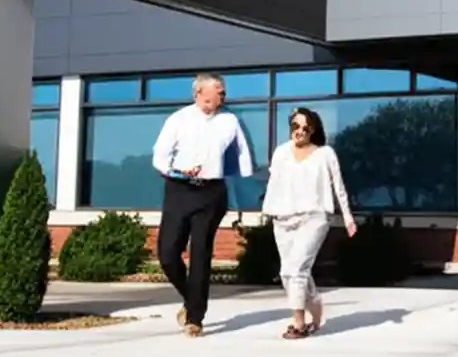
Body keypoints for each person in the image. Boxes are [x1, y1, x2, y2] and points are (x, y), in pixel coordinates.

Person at [151, 72, 254, 338]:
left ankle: (195, 318)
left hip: (212, 193)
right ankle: (191, 299)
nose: (222, 95)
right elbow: (160, 158)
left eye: (223, 91)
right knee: (167, 253)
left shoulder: (230, 121)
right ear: (198, 93)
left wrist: (251, 189)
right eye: (217, 91)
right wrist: (180, 172)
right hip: (179, 190)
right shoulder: (179, 119)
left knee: (200, 254)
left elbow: (242, 156)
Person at [262, 106, 357, 339]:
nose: (300, 131)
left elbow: (339, 187)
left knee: (296, 269)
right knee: (288, 273)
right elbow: (274, 184)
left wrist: (347, 217)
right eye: (295, 126)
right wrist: (267, 211)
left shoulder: (325, 153)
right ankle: (314, 302)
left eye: (305, 127)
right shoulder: (281, 152)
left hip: (314, 217)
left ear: (312, 130)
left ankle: (298, 323)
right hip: (283, 218)